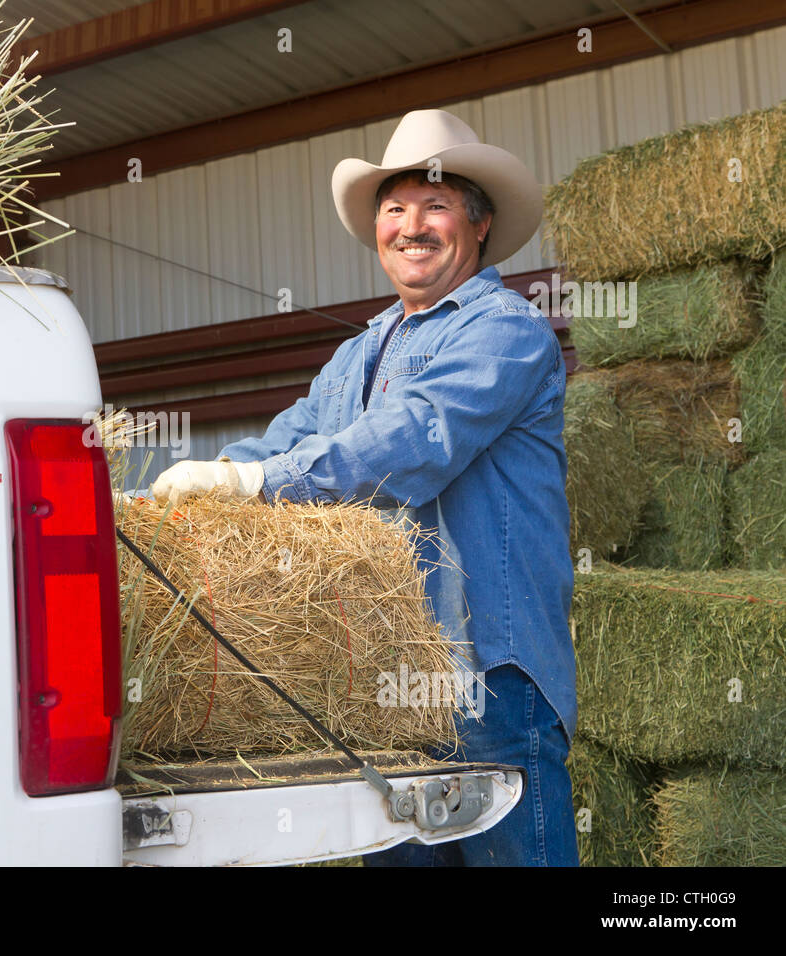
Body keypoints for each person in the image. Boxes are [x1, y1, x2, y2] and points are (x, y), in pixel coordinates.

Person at [148, 109, 578, 866]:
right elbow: (293, 437)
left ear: (478, 226)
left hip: (488, 676)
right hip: (378, 683)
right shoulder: (357, 353)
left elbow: (418, 438)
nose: (412, 225)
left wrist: (256, 482)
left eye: (436, 205)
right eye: (394, 208)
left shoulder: (506, 329)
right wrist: (178, 493)